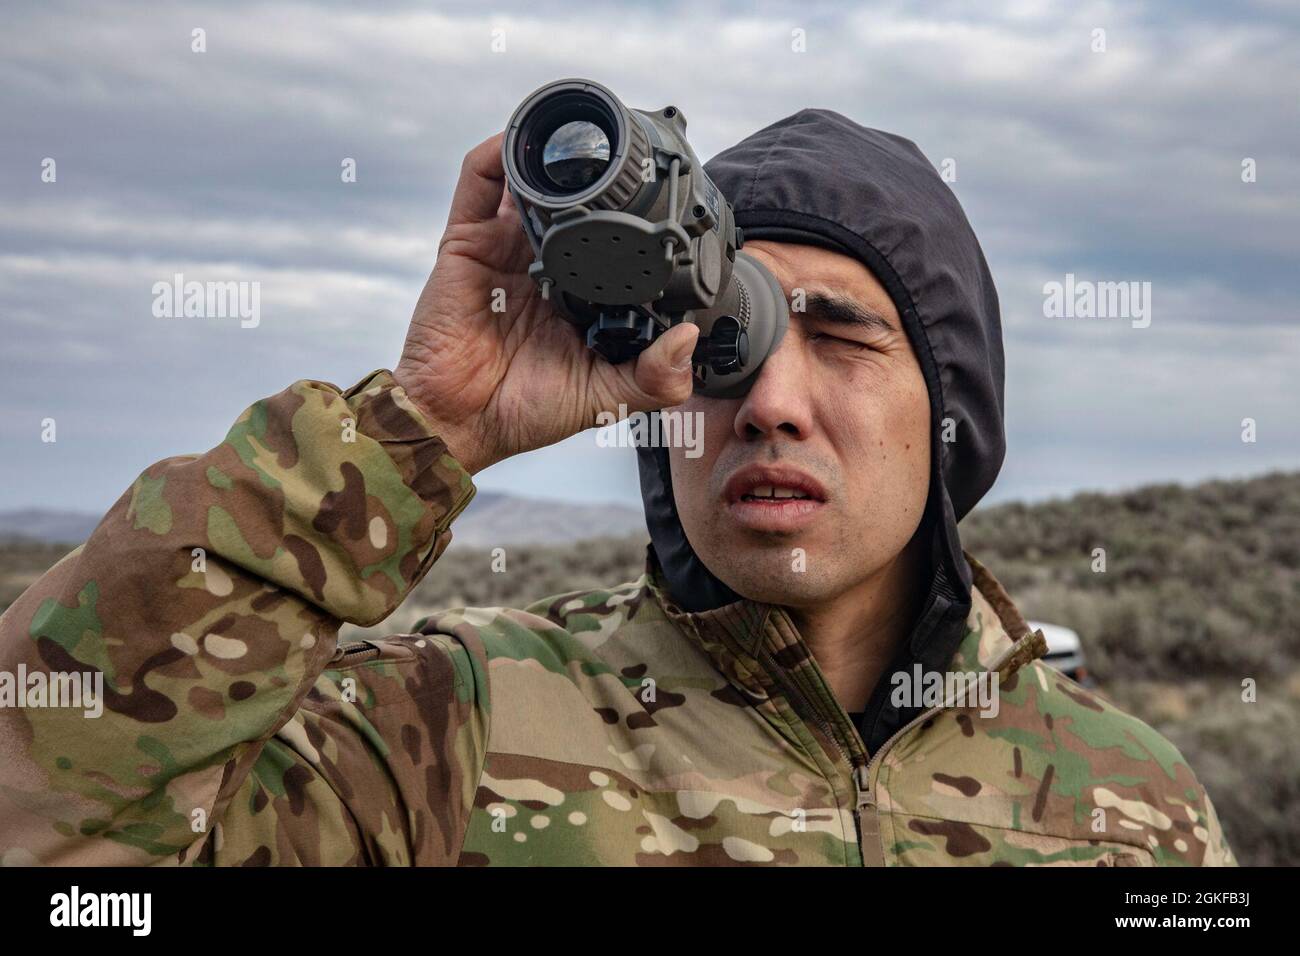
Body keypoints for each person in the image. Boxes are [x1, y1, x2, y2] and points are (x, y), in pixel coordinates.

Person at [0, 110, 1234, 866]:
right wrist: (417, 427)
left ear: (952, 410)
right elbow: (58, 851)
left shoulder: (1127, 799)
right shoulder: (453, 727)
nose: (767, 400)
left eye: (845, 336)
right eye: (729, 340)